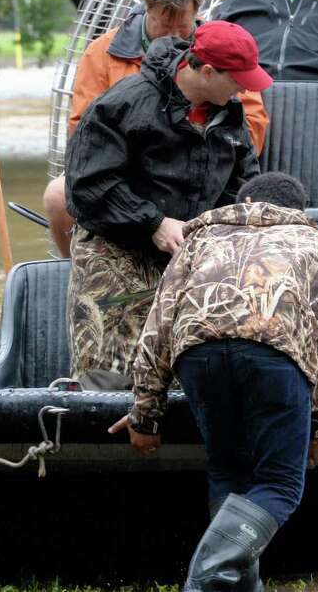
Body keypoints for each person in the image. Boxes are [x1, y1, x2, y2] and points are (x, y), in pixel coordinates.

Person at [110, 172, 318, 590]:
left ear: (243, 201)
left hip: (198, 358)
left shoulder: (200, 241)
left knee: (229, 475)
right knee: (280, 486)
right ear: (299, 212)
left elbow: (159, 325)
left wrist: (146, 415)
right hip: (274, 357)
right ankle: (205, 580)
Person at [65, 21, 270, 390]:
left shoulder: (229, 113)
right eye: (238, 78)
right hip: (117, 246)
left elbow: (242, 184)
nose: (246, 87)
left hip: (192, 247)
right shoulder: (122, 104)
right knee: (114, 374)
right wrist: (155, 224)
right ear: (206, 71)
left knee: (197, 363)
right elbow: (88, 186)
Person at [42, 0, 269, 257]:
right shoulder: (103, 52)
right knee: (59, 194)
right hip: (129, 173)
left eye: (183, 25)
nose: (173, 34)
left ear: (197, 13)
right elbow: (83, 134)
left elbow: (249, 128)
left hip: (203, 171)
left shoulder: (226, 54)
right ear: (147, 10)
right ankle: (70, 266)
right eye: (164, 24)